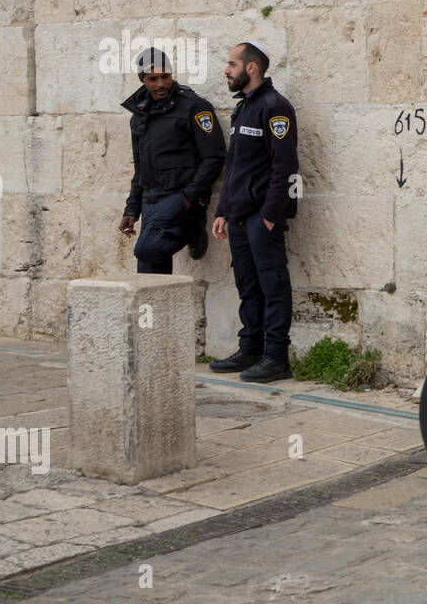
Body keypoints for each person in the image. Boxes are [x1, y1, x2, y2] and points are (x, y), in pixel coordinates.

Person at [209, 42, 299, 383]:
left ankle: (276, 358)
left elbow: (285, 166)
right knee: (248, 286)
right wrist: (223, 209)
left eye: (231, 63)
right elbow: (235, 166)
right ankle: (250, 349)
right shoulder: (243, 108)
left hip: (262, 216)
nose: (226, 70)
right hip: (239, 216)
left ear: (251, 68)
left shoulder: (276, 108)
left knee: (273, 285)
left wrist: (270, 215)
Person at [118, 47, 225, 272]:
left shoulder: (194, 107)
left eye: (165, 76)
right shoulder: (139, 115)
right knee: (149, 271)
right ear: (142, 79)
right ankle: (157, 307)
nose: (161, 84)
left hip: (179, 198)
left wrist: (187, 198)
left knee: (147, 251)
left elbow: (214, 157)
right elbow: (141, 167)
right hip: (151, 201)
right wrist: (132, 209)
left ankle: (193, 227)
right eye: (153, 79)